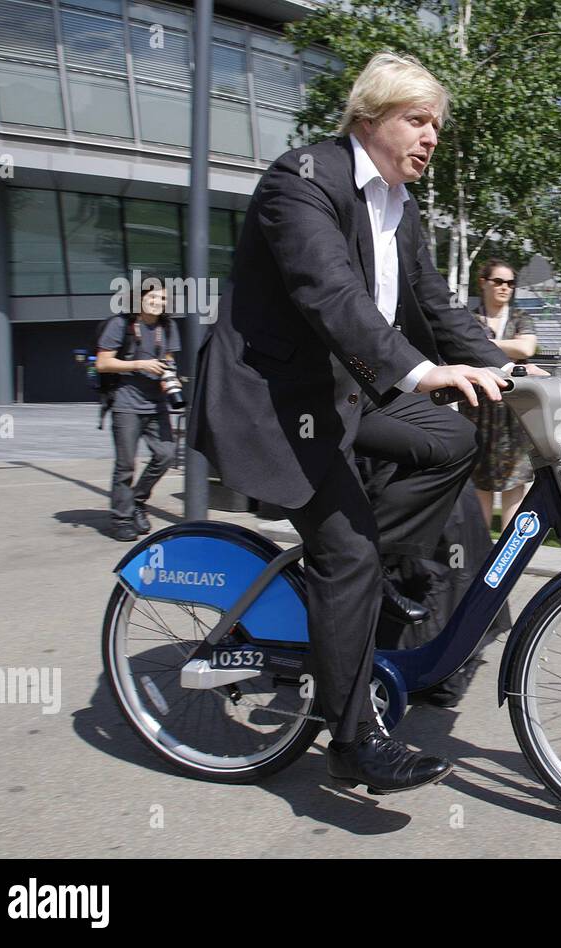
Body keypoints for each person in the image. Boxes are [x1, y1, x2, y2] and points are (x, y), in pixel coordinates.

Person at [189, 51, 524, 795]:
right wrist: (420, 372)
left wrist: (510, 371)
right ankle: (351, 742)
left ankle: (369, 577)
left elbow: (438, 306)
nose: (431, 135)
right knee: (346, 553)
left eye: (437, 122)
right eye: (417, 119)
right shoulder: (300, 180)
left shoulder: (401, 208)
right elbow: (329, 294)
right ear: (370, 119)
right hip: (275, 404)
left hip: (343, 398)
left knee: (452, 437)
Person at [96, 282, 180, 542]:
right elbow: (102, 363)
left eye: (163, 298)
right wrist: (140, 363)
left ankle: (136, 501)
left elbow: (168, 359)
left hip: (156, 403)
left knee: (166, 455)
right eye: (153, 296)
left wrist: (169, 377)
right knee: (125, 466)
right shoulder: (120, 325)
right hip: (126, 403)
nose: (158, 302)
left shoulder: (168, 326)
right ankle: (121, 519)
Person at [461, 259, 538, 530]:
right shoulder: (468, 320)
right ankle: (481, 560)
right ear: (483, 283)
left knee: (514, 488)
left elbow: (527, 348)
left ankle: (509, 558)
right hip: (477, 415)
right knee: (480, 487)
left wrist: (483, 346)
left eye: (510, 283)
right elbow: (459, 351)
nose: (505, 287)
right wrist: (507, 350)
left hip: (514, 418)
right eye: (499, 281)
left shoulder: (519, 318)